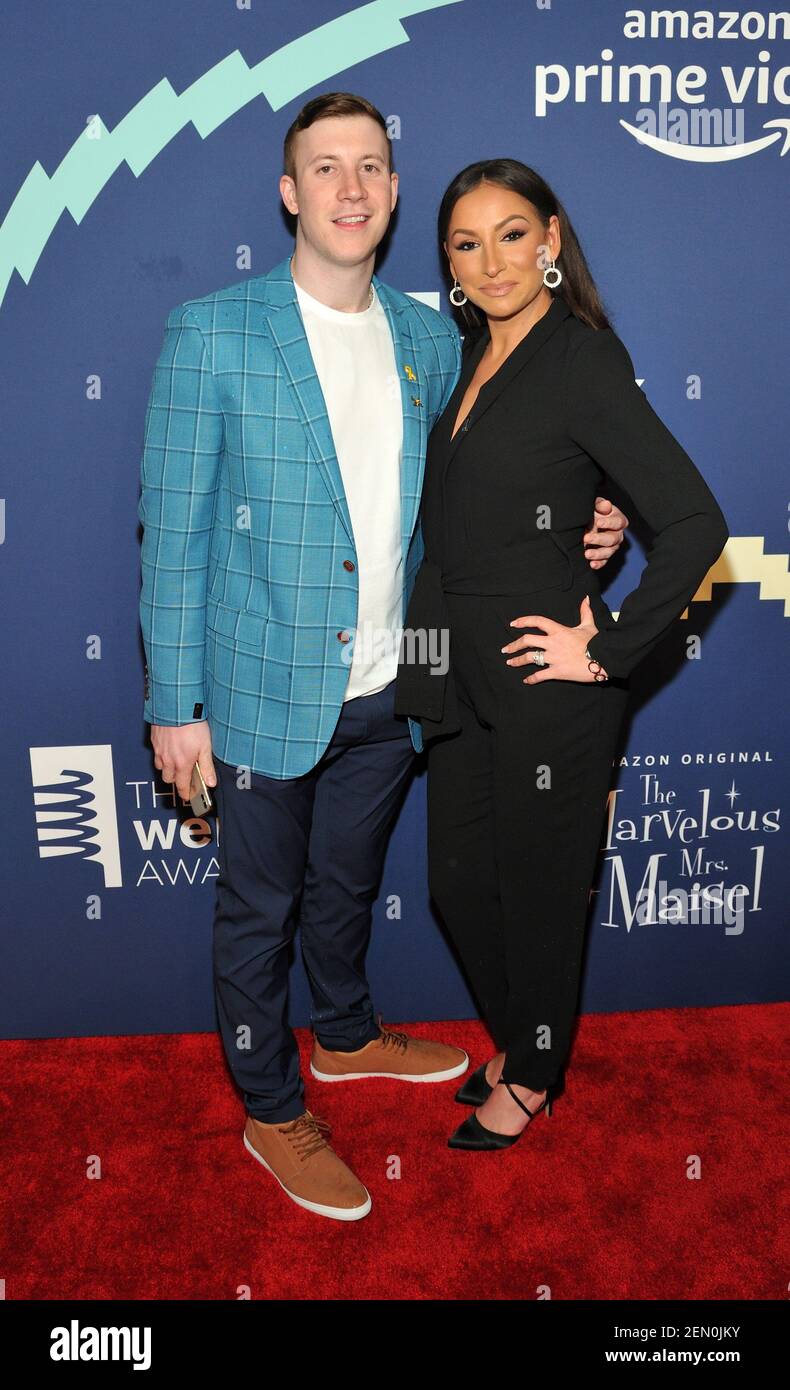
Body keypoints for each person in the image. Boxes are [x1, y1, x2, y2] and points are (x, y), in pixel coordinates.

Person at [138, 96, 628, 1220]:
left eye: (371, 167)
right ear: (289, 192)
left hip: (399, 685)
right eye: (325, 168)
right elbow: (173, 530)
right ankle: (272, 1109)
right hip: (259, 685)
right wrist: (176, 703)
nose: (350, 188)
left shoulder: (429, 339)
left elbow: (495, 479)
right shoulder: (211, 329)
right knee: (259, 912)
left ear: (395, 193)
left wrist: (593, 520)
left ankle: (346, 1036)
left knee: (348, 885)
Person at [394, 158, 729, 1151]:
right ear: (448, 264)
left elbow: (695, 521)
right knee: (458, 882)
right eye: (465, 241)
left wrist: (611, 648)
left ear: (548, 239)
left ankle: (534, 1073)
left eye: (509, 233)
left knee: (538, 892)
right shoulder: (461, 356)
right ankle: (522, 1037)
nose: (489, 260)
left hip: (550, 681)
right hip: (454, 665)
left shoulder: (578, 357)